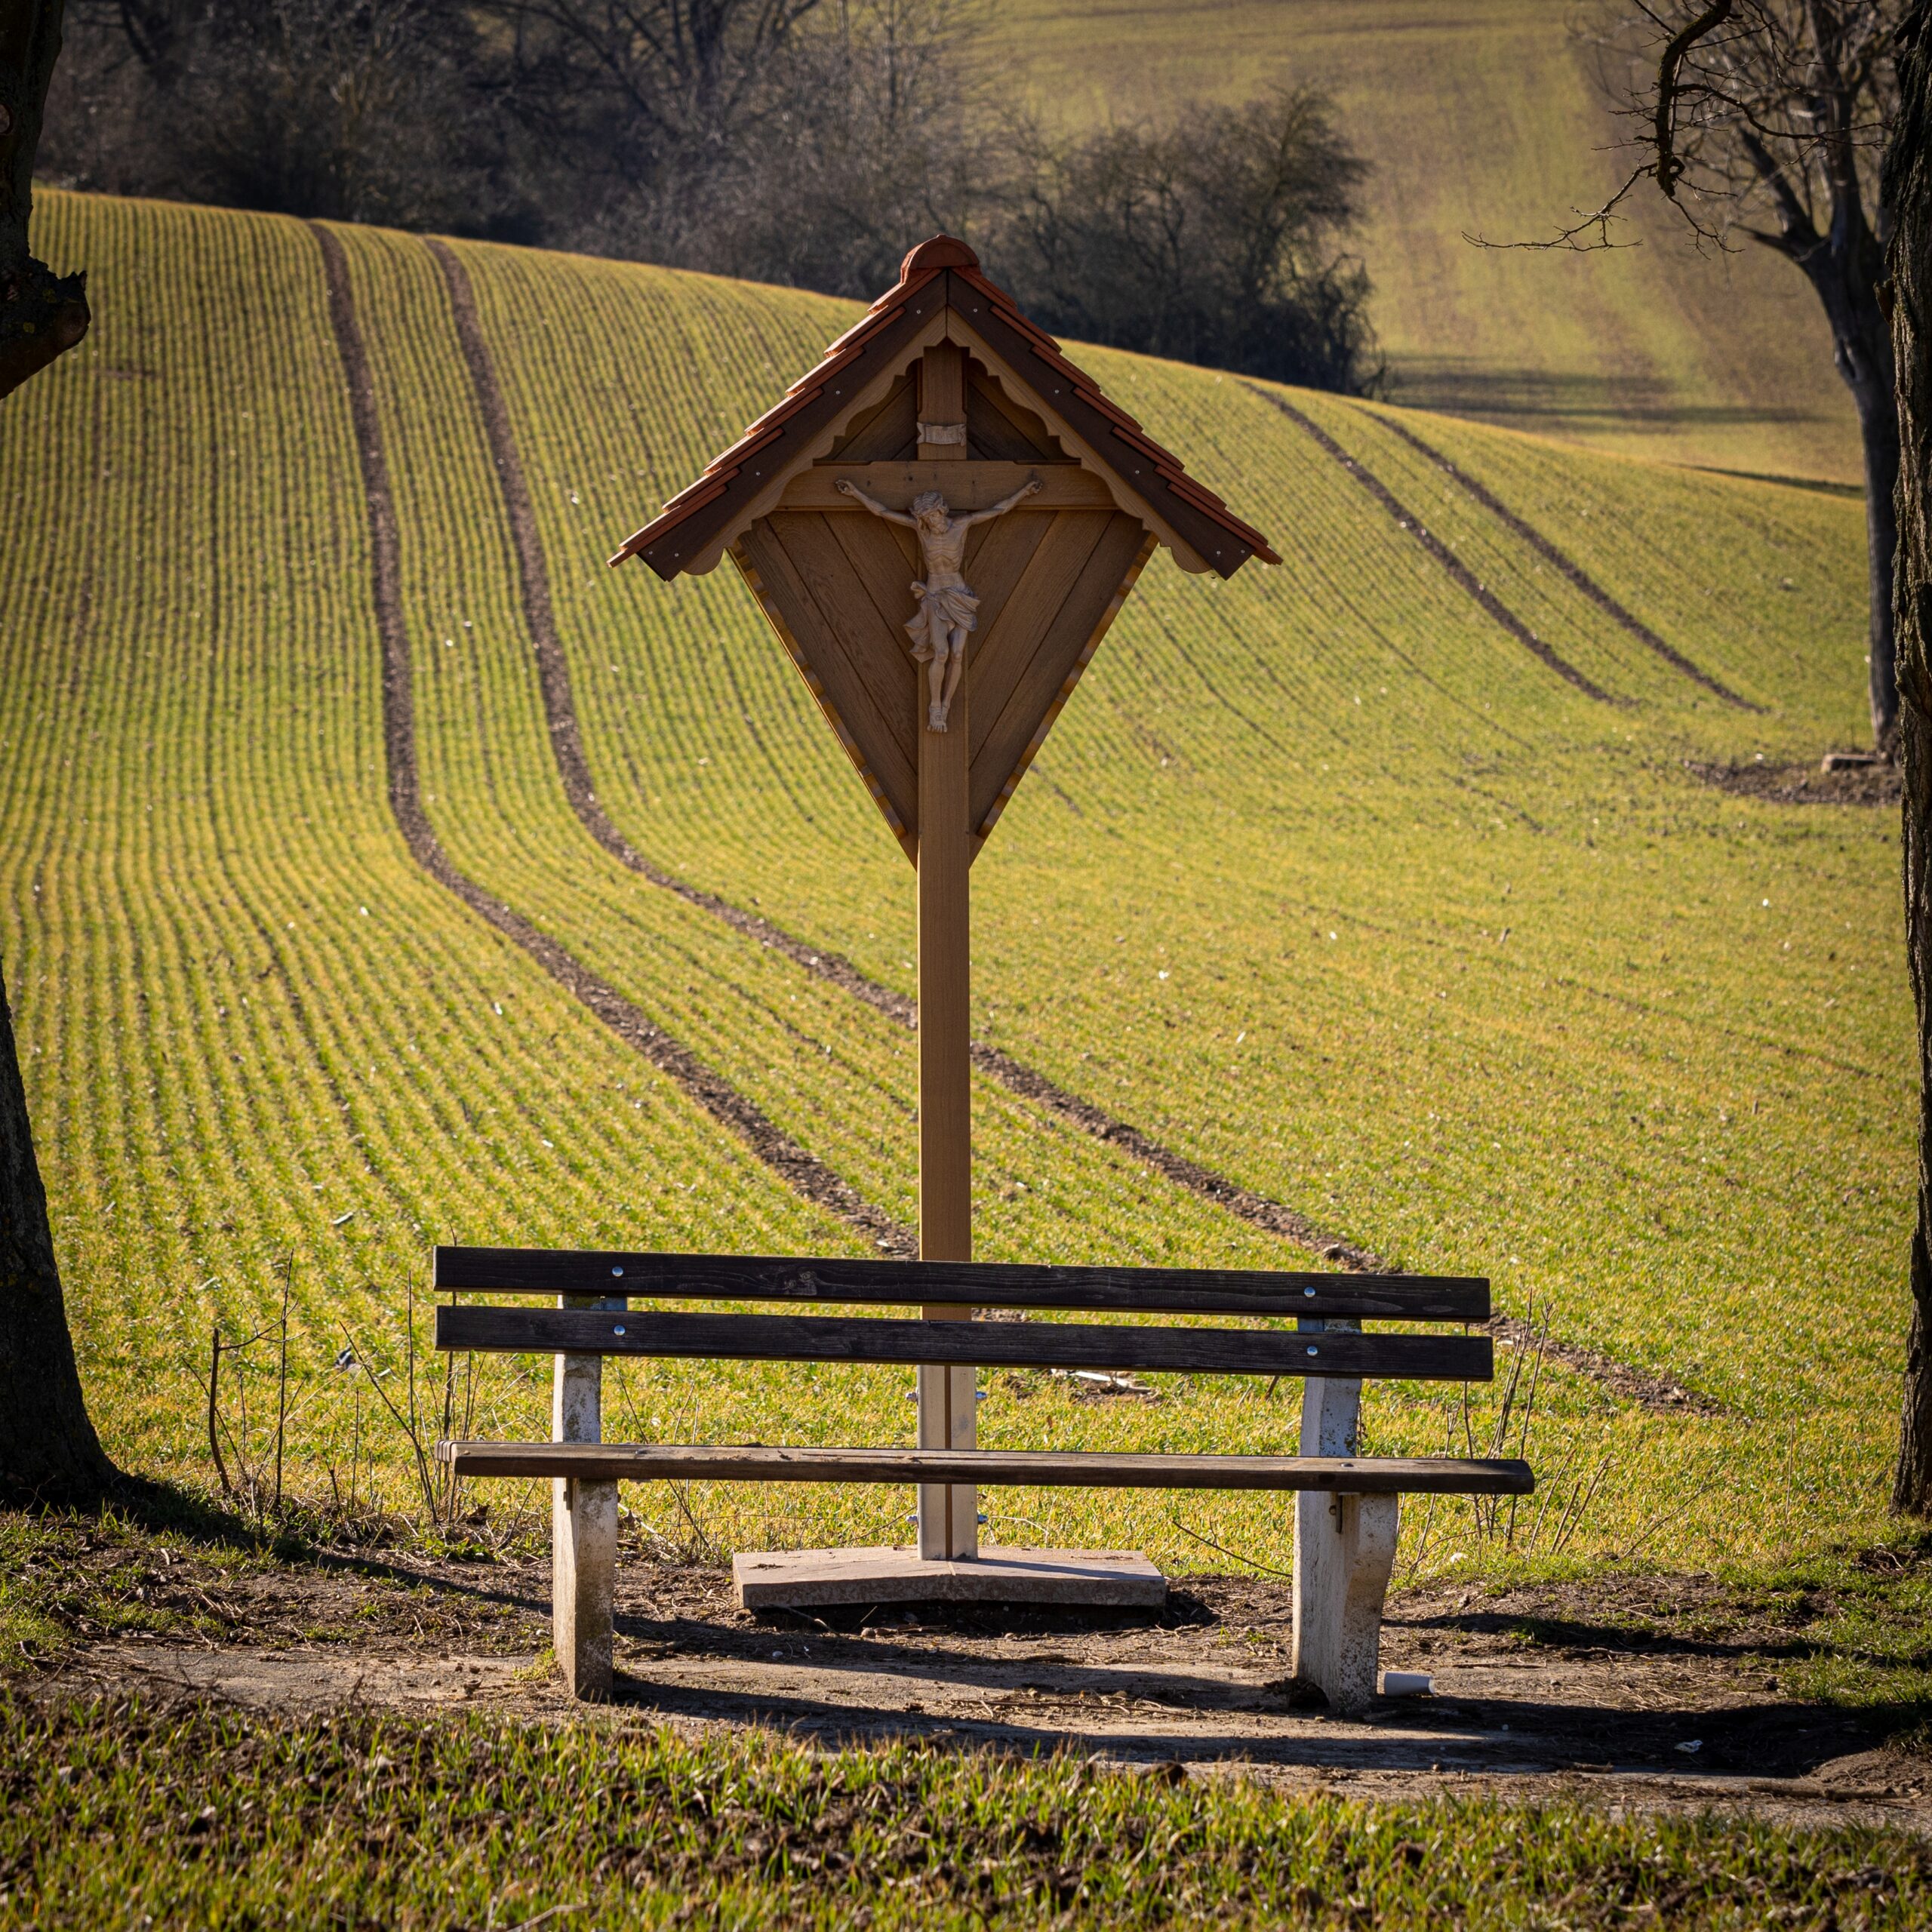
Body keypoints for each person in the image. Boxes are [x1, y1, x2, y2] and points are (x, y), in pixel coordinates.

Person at [835, 474, 1042, 731]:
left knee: (957, 654)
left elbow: (998, 510)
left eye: (933, 516)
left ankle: (946, 707)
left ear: (942, 511)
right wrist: (855, 493)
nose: (931, 522)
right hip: (934, 596)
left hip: (959, 594)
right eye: (926, 518)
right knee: (941, 652)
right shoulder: (922, 532)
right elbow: (883, 512)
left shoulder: (962, 525)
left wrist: (1024, 492)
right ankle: (935, 709)